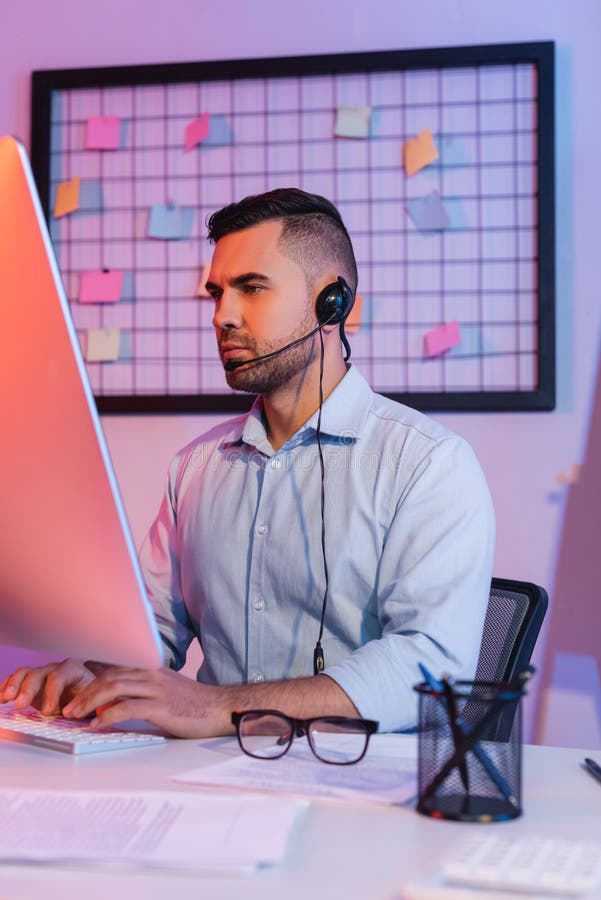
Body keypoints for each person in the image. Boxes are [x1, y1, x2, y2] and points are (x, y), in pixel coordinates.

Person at [0, 188, 495, 737]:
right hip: (204, 779)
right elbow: (153, 631)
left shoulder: (426, 465)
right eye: (216, 293)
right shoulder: (195, 468)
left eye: (251, 288)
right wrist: (89, 673)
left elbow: (427, 668)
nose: (222, 316)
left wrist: (216, 707)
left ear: (333, 301)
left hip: (357, 790)